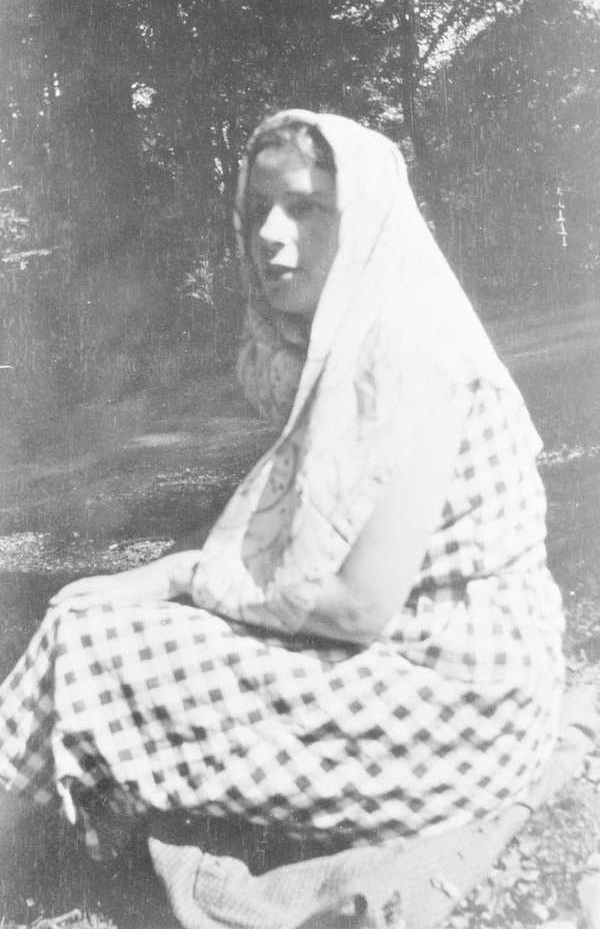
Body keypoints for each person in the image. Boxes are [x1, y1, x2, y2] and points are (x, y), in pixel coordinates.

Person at [0, 110, 564, 872]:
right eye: (259, 207)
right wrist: (175, 582)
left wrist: (178, 576)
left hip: (455, 702)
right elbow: (295, 543)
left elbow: (359, 607)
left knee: (91, 642)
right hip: (409, 663)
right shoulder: (347, 344)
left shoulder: (414, 355)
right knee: (112, 622)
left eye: (305, 207)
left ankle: (27, 848)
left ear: (364, 222)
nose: (269, 231)